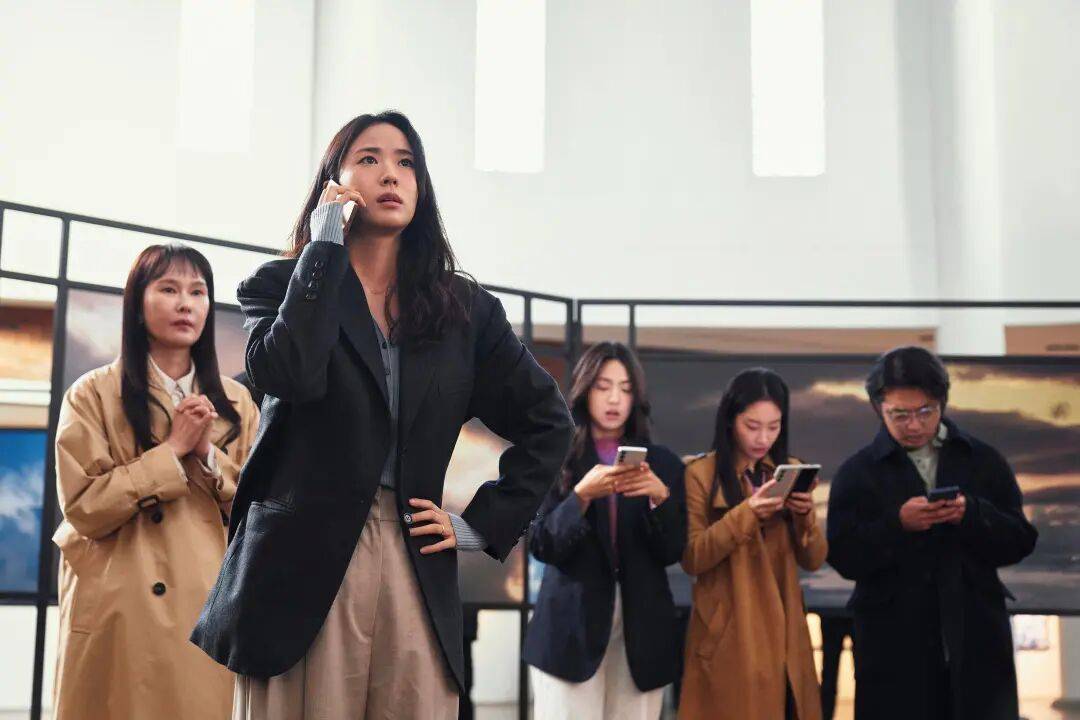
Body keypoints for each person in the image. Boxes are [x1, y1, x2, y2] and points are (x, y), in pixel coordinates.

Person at [190, 110, 573, 719]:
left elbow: (550, 423)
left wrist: (480, 524)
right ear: (334, 184)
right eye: (368, 159)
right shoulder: (280, 284)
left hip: (414, 553)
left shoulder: (464, 309)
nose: (390, 173)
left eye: (406, 162)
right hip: (299, 561)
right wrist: (323, 249)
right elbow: (289, 375)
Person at [52, 244, 260, 720]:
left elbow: (257, 511)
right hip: (121, 609)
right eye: (168, 289)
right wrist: (171, 452)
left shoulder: (237, 402)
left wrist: (206, 454)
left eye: (198, 292)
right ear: (137, 304)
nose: (186, 304)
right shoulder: (91, 394)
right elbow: (84, 508)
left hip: (208, 608)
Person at [826, 346, 1037, 720]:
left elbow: (1021, 539)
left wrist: (972, 513)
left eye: (925, 411)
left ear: (942, 403)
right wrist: (897, 524)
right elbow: (843, 556)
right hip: (894, 642)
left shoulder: (981, 458)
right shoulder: (858, 471)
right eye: (899, 414)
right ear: (878, 408)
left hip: (974, 633)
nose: (914, 424)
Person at [525, 342, 686, 720]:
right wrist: (581, 496)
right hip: (569, 631)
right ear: (585, 389)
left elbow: (673, 550)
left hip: (641, 632)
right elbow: (542, 543)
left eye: (625, 389)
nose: (615, 398)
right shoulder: (554, 455)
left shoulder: (662, 464)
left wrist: (660, 498)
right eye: (603, 386)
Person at [680, 368, 826, 720]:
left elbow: (814, 559)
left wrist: (805, 515)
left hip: (786, 625)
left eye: (774, 427)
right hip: (730, 632)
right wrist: (747, 513)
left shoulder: (790, 470)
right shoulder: (699, 474)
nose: (763, 438)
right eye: (752, 426)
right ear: (730, 420)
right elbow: (692, 557)